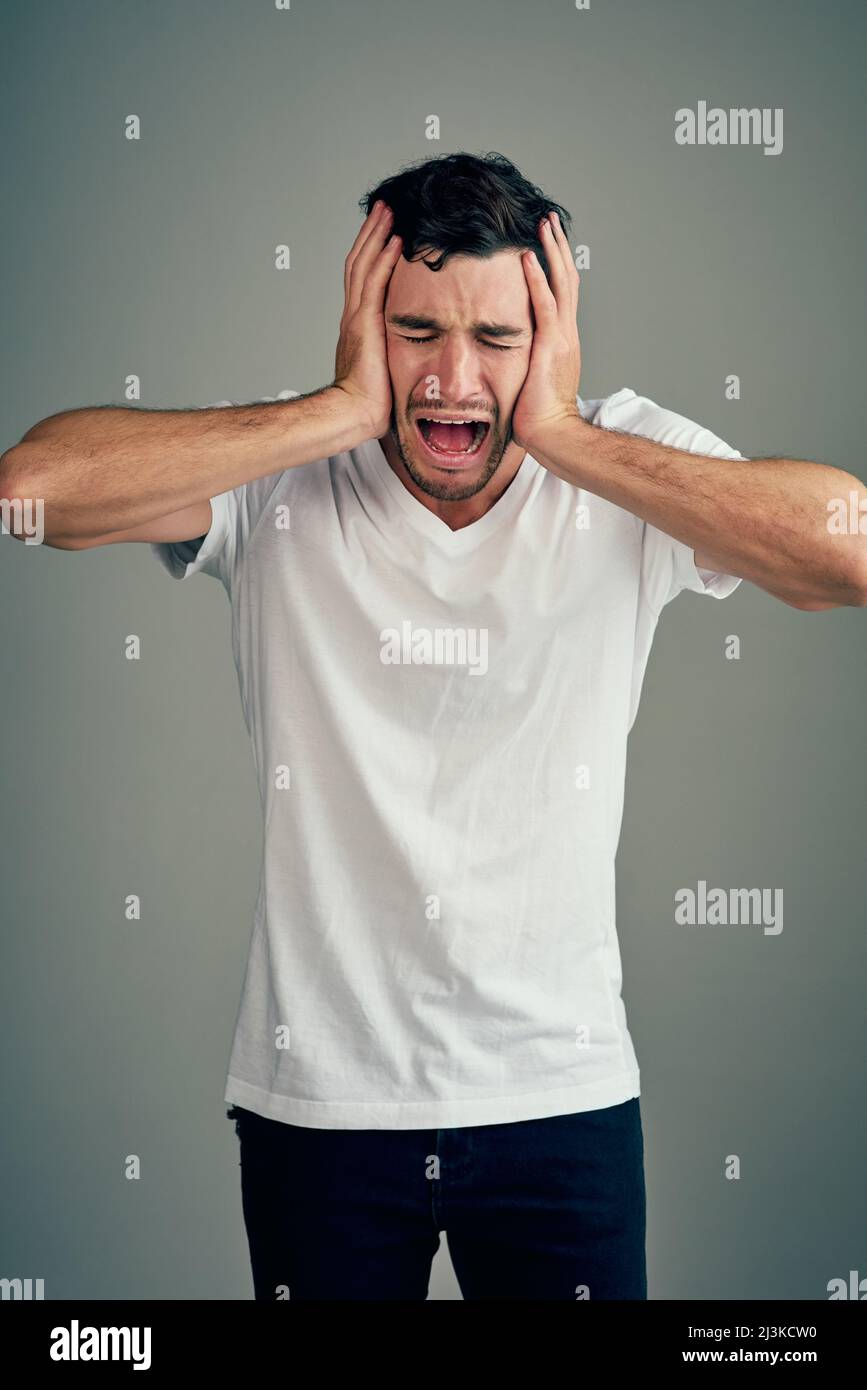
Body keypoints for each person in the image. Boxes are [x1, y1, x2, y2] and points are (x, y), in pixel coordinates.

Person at [3, 151, 865, 1301]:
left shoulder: (621, 463)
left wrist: (563, 437)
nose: (452, 380)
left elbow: (847, 550)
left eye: (497, 341)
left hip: (561, 1100)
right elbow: (31, 492)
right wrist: (336, 411)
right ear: (366, 317)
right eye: (417, 331)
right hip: (321, 1108)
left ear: (551, 339)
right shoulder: (280, 472)